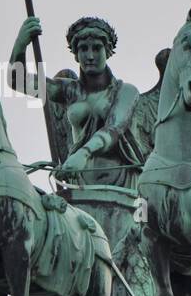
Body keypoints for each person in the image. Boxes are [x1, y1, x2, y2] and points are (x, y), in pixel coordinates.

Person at [8, 15, 150, 188]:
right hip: (79, 182)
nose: (90, 55)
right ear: (76, 54)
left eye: (97, 48)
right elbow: (17, 80)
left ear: (108, 51)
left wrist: (83, 154)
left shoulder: (126, 91)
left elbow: (114, 127)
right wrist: (21, 43)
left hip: (121, 184)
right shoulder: (68, 90)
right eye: (83, 49)